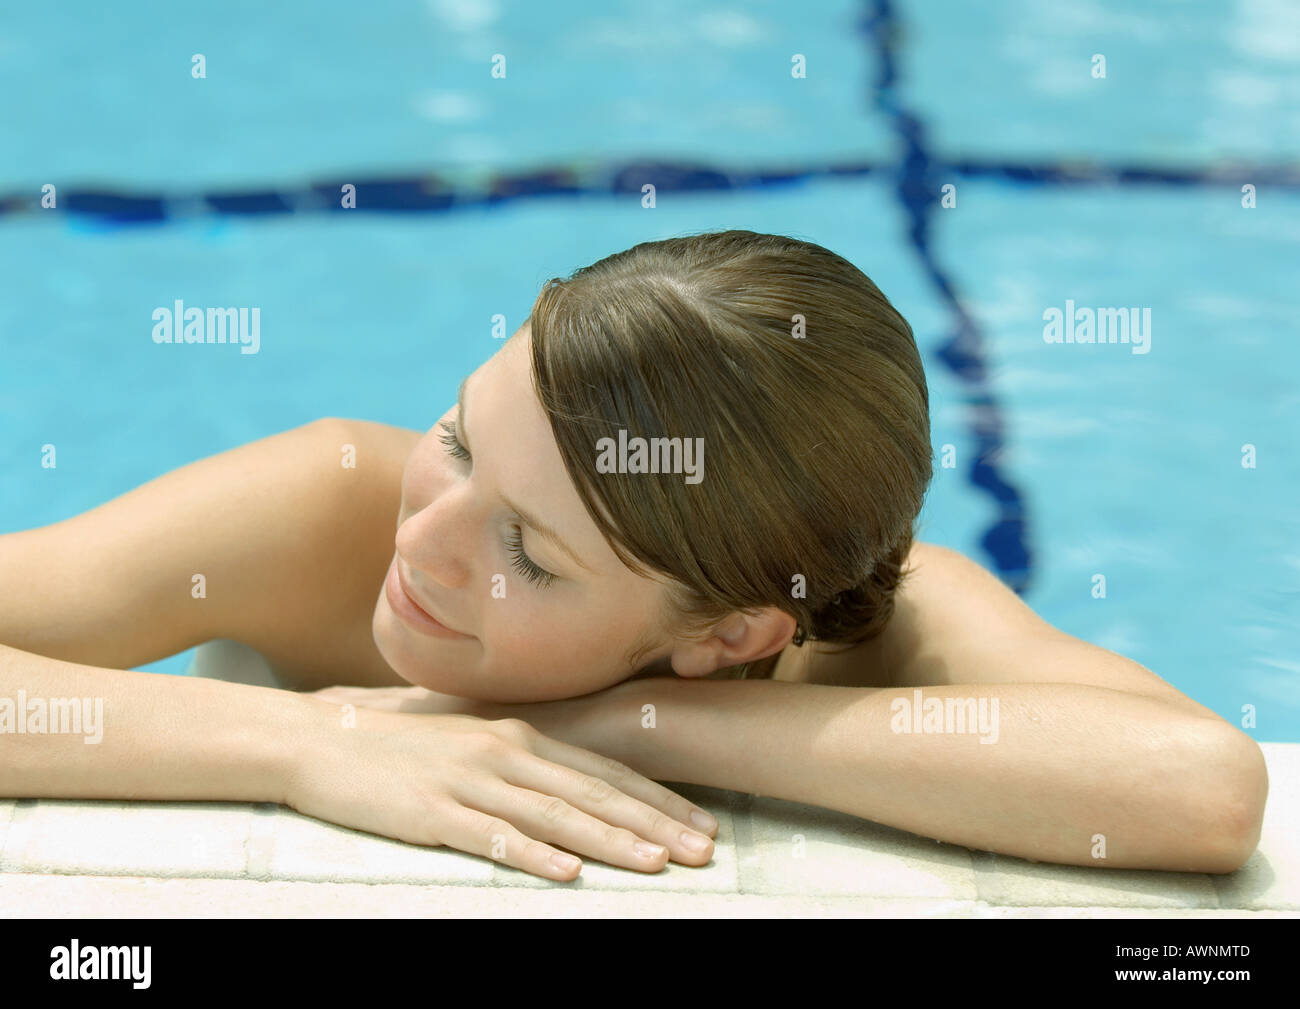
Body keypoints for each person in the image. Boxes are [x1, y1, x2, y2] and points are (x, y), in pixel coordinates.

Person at [0, 231, 1266, 881]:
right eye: (456, 440)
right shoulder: (321, 507)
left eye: (529, 553)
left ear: (730, 635)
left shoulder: (892, 631)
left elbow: (1204, 791)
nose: (422, 545)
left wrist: (638, 724)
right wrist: (307, 742)